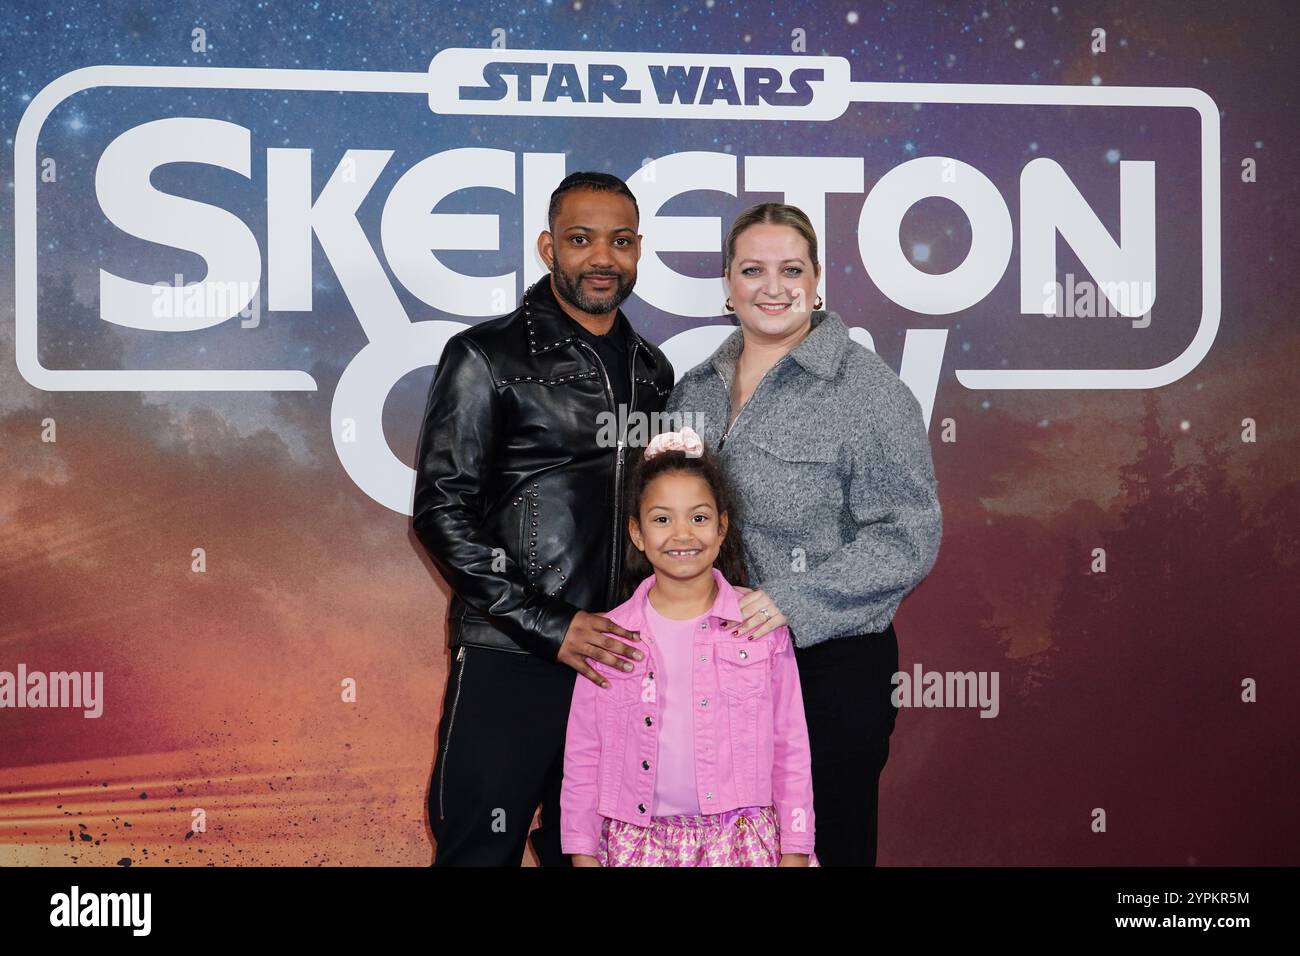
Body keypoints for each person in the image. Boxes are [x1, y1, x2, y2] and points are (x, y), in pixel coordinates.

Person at [663, 202, 943, 866]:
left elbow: (909, 535)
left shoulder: (869, 391)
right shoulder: (691, 393)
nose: (773, 287)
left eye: (791, 269)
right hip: (715, 669)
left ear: (817, 281)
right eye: (752, 269)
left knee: (824, 849)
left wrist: (794, 598)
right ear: (728, 284)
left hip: (831, 670)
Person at [412, 172, 675, 866]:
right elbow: (441, 510)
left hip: (618, 665)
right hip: (513, 655)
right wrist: (548, 626)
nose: (602, 258)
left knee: (590, 855)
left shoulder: (654, 370)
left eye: (620, 242)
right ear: (547, 247)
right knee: (479, 852)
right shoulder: (486, 356)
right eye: (581, 239)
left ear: (639, 250)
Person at [560, 427, 819, 867]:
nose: (682, 534)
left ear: (722, 529)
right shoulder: (609, 637)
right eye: (662, 519)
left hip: (744, 841)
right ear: (637, 534)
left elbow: (790, 743)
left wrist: (796, 848)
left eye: (698, 518)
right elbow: (584, 752)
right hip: (635, 845)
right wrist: (581, 852)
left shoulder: (759, 627)